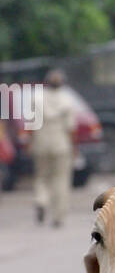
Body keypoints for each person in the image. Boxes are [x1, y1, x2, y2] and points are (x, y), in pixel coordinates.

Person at [30, 68, 78, 227]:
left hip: (41, 141)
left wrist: (31, 142)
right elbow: (70, 127)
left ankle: (41, 200)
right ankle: (58, 216)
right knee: (61, 179)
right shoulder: (67, 100)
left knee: (42, 176)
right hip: (61, 143)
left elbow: (32, 124)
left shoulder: (37, 99)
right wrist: (74, 146)